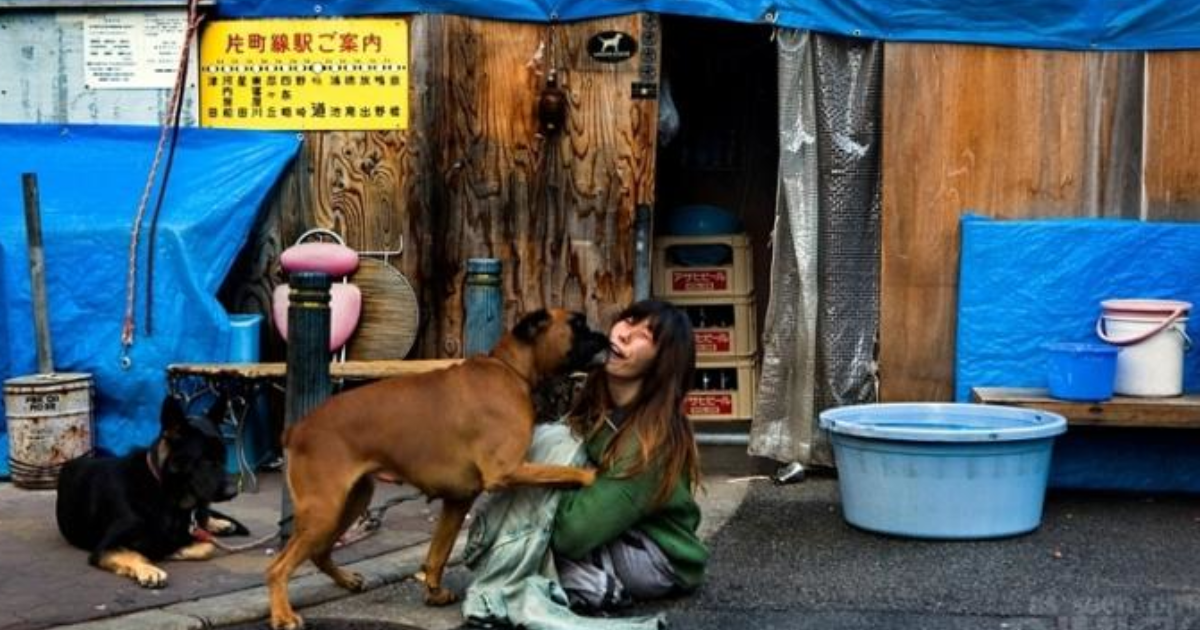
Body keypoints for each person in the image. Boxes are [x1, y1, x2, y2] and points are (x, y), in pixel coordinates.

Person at [550, 299, 709, 611]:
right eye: (628, 321)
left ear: (661, 362)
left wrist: (540, 494)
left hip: (656, 557)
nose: (623, 334)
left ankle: (596, 586)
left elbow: (574, 532)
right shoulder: (599, 404)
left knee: (537, 547)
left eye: (644, 336)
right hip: (618, 525)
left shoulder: (649, 442)